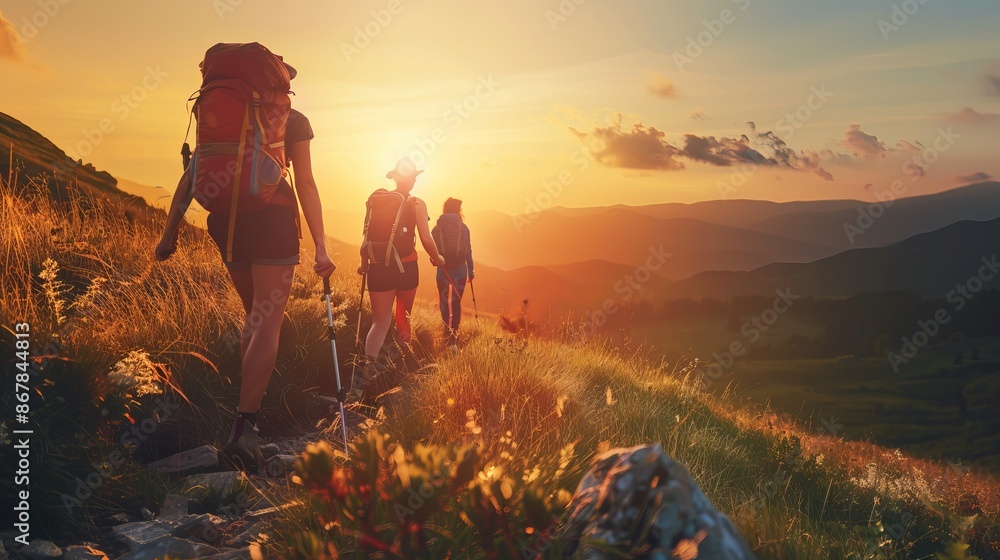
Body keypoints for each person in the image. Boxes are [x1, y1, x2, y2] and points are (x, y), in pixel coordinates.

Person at [155, 61, 335, 472]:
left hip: (226, 221)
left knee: (254, 314)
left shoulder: (217, 111)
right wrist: (322, 246)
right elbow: (304, 183)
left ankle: (244, 410)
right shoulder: (293, 120)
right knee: (268, 321)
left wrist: (168, 235)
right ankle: (244, 428)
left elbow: (192, 173)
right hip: (273, 219)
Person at [355, 157, 445, 399]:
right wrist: (438, 258)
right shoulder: (416, 203)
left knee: (379, 322)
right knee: (403, 316)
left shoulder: (376, 200)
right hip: (406, 268)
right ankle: (403, 368)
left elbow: (366, 236)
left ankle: (368, 371)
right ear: (408, 178)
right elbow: (426, 238)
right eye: (414, 176)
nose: (415, 180)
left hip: (378, 267)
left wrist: (364, 264)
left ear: (394, 177)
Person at [431, 198, 474, 351]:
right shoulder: (463, 228)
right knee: (455, 303)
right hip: (460, 271)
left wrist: (435, 260)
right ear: (458, 210)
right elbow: (468, 251)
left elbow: (433, 252)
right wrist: (471, 270)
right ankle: (453, 337)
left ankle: (446, 332)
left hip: (443, 272)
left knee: (444, 302)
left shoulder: (436, 229)